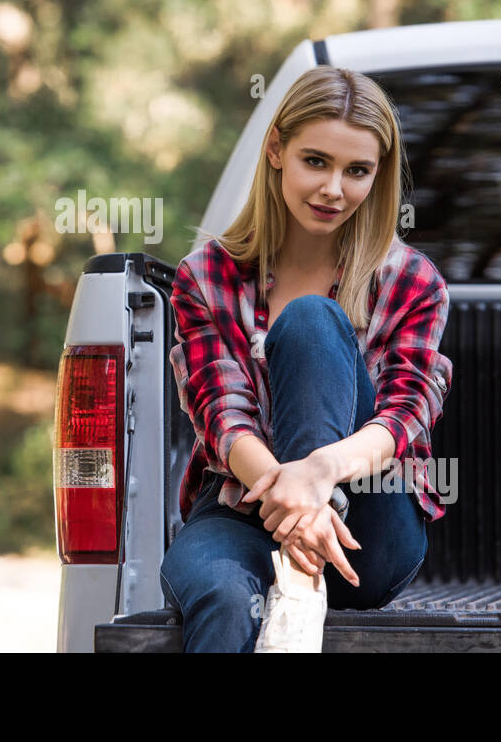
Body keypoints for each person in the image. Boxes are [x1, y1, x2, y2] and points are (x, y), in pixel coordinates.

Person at [160, 65, 454, 652]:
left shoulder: (411, 281)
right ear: (276, 150)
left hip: (368, 531)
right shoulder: (207, 276)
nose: (334, 190)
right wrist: (296, 502)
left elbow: (407, 410)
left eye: (358, 171)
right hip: (240, 507)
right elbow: (221, 413)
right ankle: (299, 553)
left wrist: (319, 475)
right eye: (315, 161)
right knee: (218, 594)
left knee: (312, 320)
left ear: (380, 175)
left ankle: (306, 554)